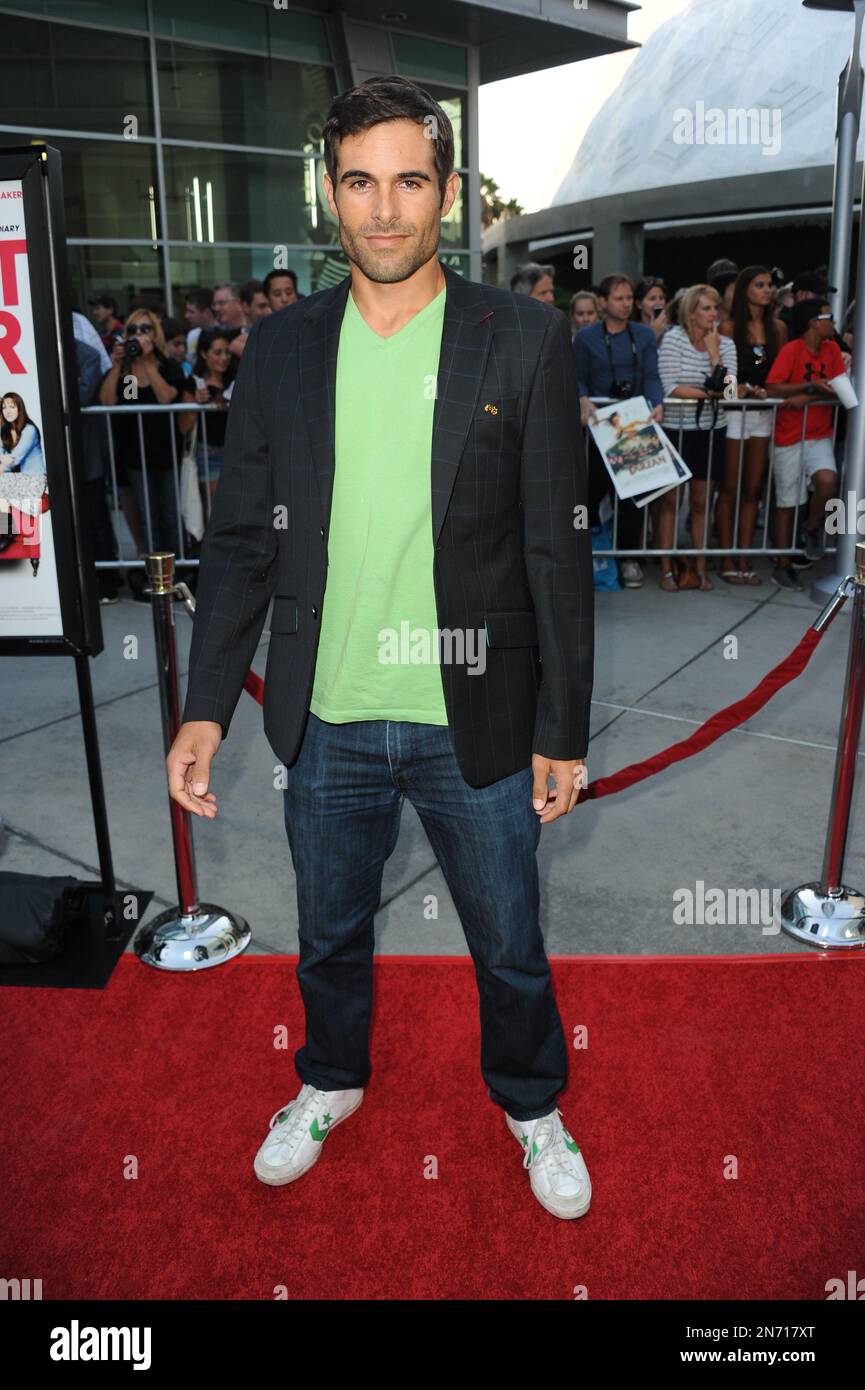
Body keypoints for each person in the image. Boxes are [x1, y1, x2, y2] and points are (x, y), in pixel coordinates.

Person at [167, 74, 595, 1221]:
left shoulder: (526, 337)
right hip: (332, 711)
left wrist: (563, 727)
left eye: (411, 180)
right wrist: (207, 704)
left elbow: (556, 548)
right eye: (360, 182)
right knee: (328, 935)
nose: (386, 209)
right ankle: (328, 1078)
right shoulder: (285, 348)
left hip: (481, 717)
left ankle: (531, 1101)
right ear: (331, 196)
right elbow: (242, 545)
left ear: (447, 194)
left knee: (509, 942)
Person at [573, 272, 664, 589]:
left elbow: (652, 375)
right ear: (602, 302)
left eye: (629, 298)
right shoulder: (586, 338)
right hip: (598, 429)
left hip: (633, 424)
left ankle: (628, 559)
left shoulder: (644, 335)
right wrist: (583, 398)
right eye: (619, 298)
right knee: (589, 493)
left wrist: (657, 402)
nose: (626, 304)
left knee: (633, 495)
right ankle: (586, 553)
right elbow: (577, 376)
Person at [657, 284, 737, 592]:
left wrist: (715, 354)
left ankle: (701, 569)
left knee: (703, 501)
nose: (713, 314)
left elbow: (729, 391)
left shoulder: (726, 345)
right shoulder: (673, 339)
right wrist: (709, 393)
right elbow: (668, 386)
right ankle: (666, 571)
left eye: (716, 308)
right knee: (670, 501)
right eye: (706, 308)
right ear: (692, 312)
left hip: (710, 430)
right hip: (675, 430)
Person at [99, 307, 189, 568]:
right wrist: (118, 364)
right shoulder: (125, 372)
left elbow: (165, 397)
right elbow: (108, 401)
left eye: (145, 329)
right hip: (135, 454)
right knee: (148, 514)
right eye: (133, 330)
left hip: (166, 451)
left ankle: (179, 570)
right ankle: (154, 572)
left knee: (170, 514)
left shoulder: (167, 365)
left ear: (155, 334)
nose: (139, 335)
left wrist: (147, 362)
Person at [715, 266, 788, 585]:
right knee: (729, 488)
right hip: (734, 412)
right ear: (745, 290)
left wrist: (766, 391)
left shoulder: (779, 328)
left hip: (764, 413)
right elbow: (721, 373)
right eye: (760, 285)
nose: (767, 289)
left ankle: (744, 556)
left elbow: (781, 375)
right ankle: (726, 557)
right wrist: (740, 389)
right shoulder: (729, 327)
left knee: (752, 490)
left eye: (770, 285)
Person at [765, 297, 843, 592]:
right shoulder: (791, 350)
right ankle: (782, 566)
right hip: (789, 436)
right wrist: (809, 387)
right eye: (829, 317)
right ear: (814, 322)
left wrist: (807, 397)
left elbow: (839, 387)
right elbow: (773, 387)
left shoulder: (832, 349)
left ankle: (809, 530)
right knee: (787, 503)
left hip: (819, 433)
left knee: (827, 481)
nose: (833, 323)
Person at [75, 337, 121, 603]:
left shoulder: (87, 354)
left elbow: (81, 395)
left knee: (95, 518)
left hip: (86, 454)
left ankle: (107, 580)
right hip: (45, 459)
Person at [177, 327, 237, 503]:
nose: (224, 358)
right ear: (204, 353)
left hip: (239, 454)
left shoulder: (238, 378)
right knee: (218, 511)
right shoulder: (194, 383)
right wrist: (195, 404)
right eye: (218, 352)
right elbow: (183, 426)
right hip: (209, 456)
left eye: (227, 352)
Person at [184, 289, 216, 363]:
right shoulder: (192, 335)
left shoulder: (226, 332)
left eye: (191, 312)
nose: (186, 316)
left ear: (206, 312)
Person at [633, 276, 669, 341]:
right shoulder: (631, 332)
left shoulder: (672, 331)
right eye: (652, 299)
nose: (658, 303)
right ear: (639, 304)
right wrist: (653, 334)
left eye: (661, 298)